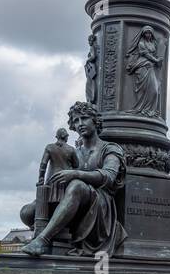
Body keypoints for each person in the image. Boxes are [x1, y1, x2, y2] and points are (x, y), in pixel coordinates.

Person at [20, 102, 126, 258]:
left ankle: (43, 240)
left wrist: (76, 174)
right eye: (76, 121)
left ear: (95, 121)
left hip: (98, 204)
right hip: (70, 199)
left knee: (76, 185)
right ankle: (55, 236)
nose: (80, 124)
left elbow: (109, 177)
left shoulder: (110, 148)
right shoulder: (73, 151)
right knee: (28, 211)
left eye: (84, 118)